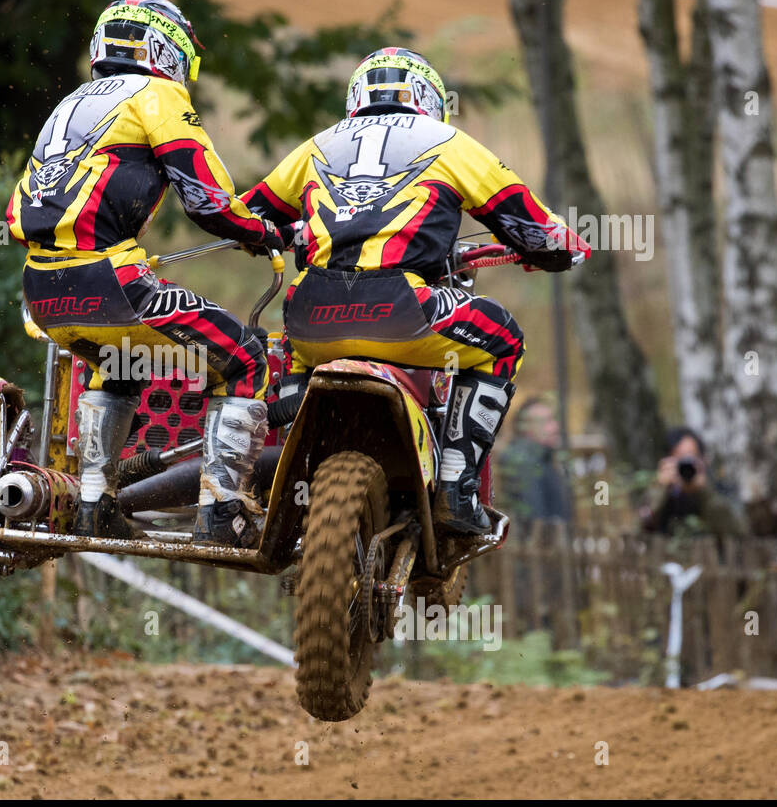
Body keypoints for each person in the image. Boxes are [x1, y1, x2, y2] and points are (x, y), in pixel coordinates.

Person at [242, 46, 591, 535]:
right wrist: (563, 250)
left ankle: (286, 476)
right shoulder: (449, 141)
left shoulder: (316, 145)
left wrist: (288, 234)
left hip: (309, 318)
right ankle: (456, 484)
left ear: (356, 98)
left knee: (290, 356)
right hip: (405, 311)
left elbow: (244, 216)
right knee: (504, 340)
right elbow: (535, 225)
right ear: (429, 98)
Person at [7, 0, 293, 547]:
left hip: (42, 291)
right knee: (244, 359)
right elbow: (208, 201)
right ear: (167, 49)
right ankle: (222, 511)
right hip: (114, 284)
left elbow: (26, 208)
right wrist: (264, 232)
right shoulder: (157, 93)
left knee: (118, 365)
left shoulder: (69, 104)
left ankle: (93, 505)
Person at [639, 427, 746, 536]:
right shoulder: (664, 495)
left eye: (691, 457)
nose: (687, 465)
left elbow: (738, 531)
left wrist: (705, 492)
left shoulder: (722, 490)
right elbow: (641, 528)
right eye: (679, 458)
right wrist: (660, 488)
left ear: (704, 460)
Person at [499, 394, 574, 525]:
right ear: (525, 428)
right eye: (546, 422)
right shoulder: (522, 462)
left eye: (553, 420)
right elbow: (534, 519)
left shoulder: (543, 458)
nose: (555, 427)